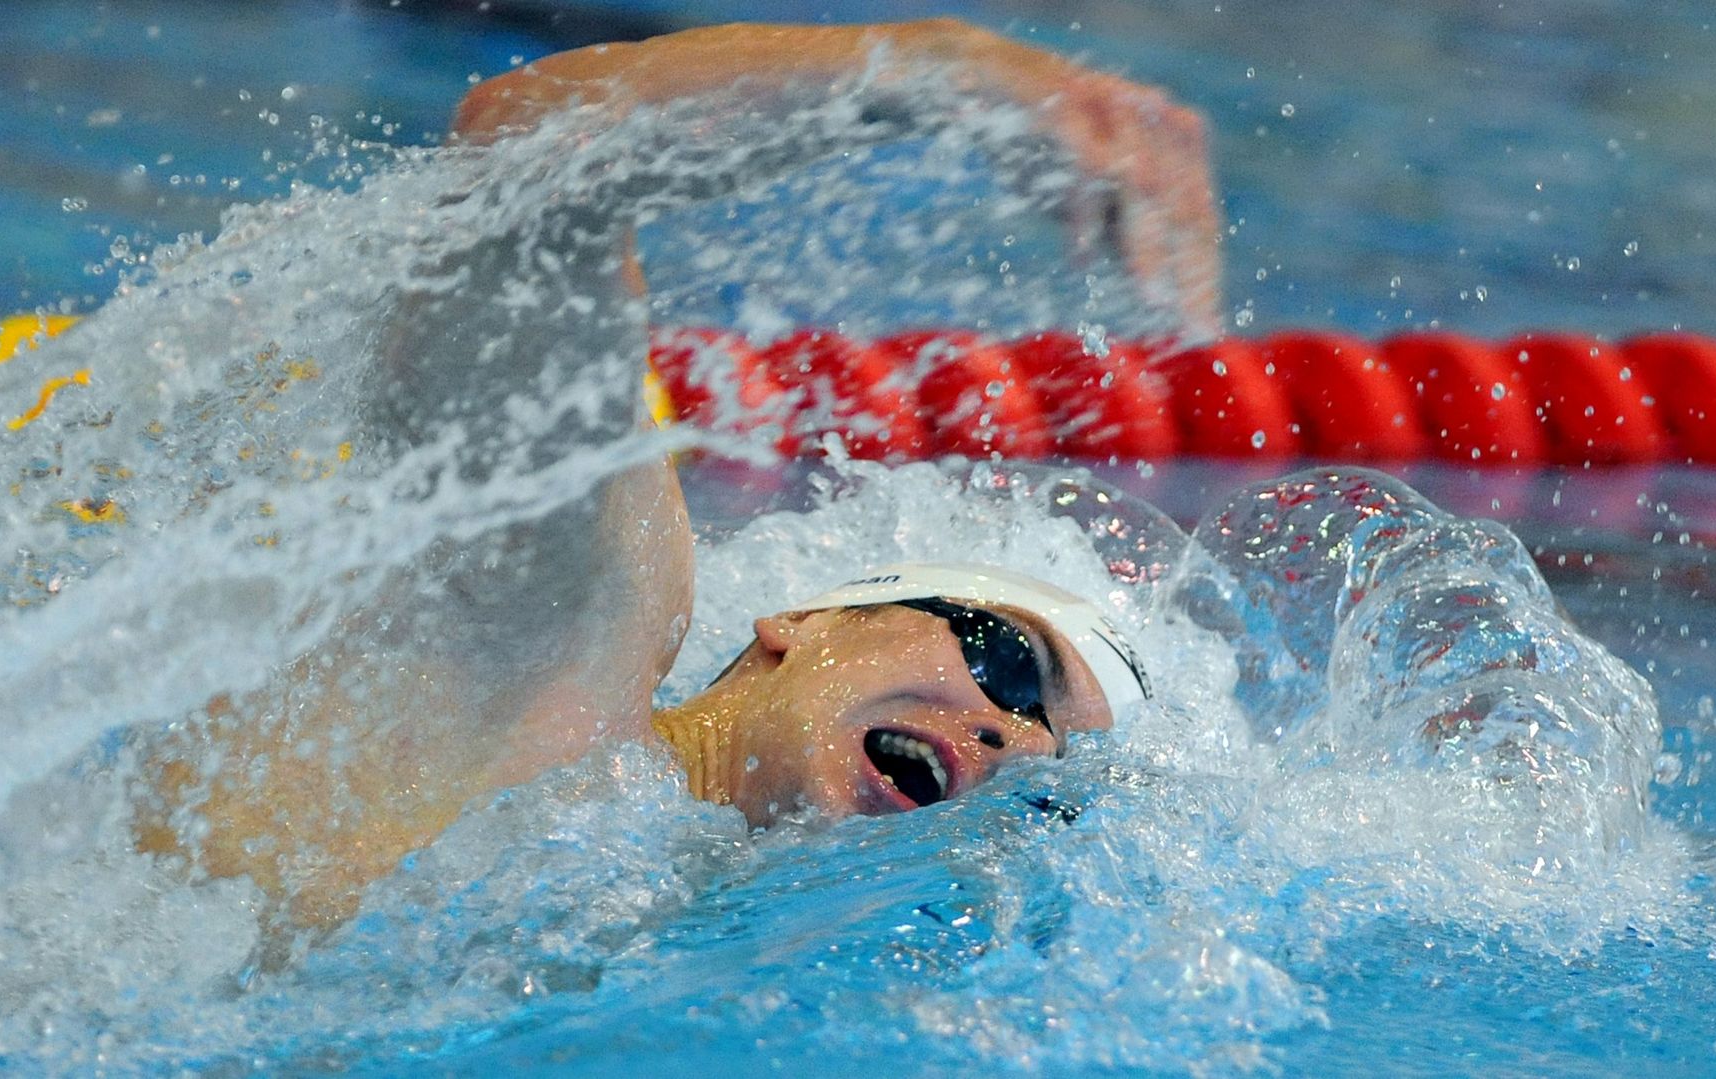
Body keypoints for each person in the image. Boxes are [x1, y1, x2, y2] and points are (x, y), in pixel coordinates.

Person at [131, 19, 1219, 942]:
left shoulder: (671, 923)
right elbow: (528, 156)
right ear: (800, 621)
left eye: (1051, 793)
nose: (1017, 741)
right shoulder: (567, 653)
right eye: (1010, 666)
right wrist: (940, 66)